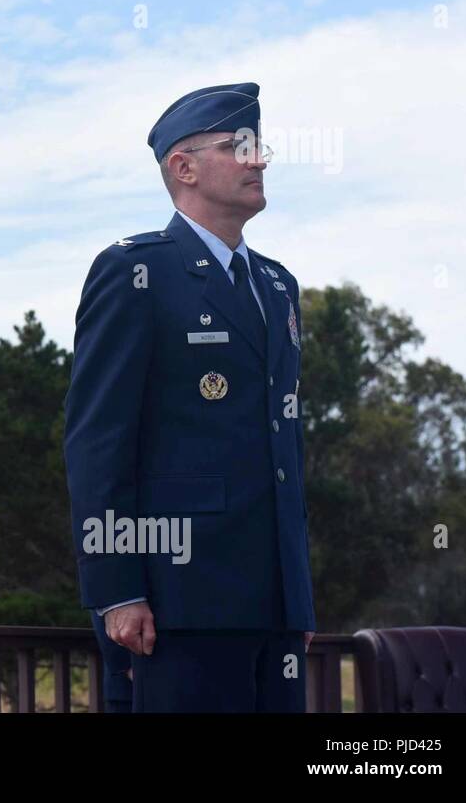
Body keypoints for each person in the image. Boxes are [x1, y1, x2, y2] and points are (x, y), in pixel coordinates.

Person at [65, 82, 315, 712]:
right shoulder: (137, 272)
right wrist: (117, 589)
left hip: (271, 603)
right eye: (241, 146)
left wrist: (298, 596)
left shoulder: (277, 286)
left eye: (260, 146)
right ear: (184, 167)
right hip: (179, 598)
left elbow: (285, 448)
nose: (260, 159)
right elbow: (99, 442)